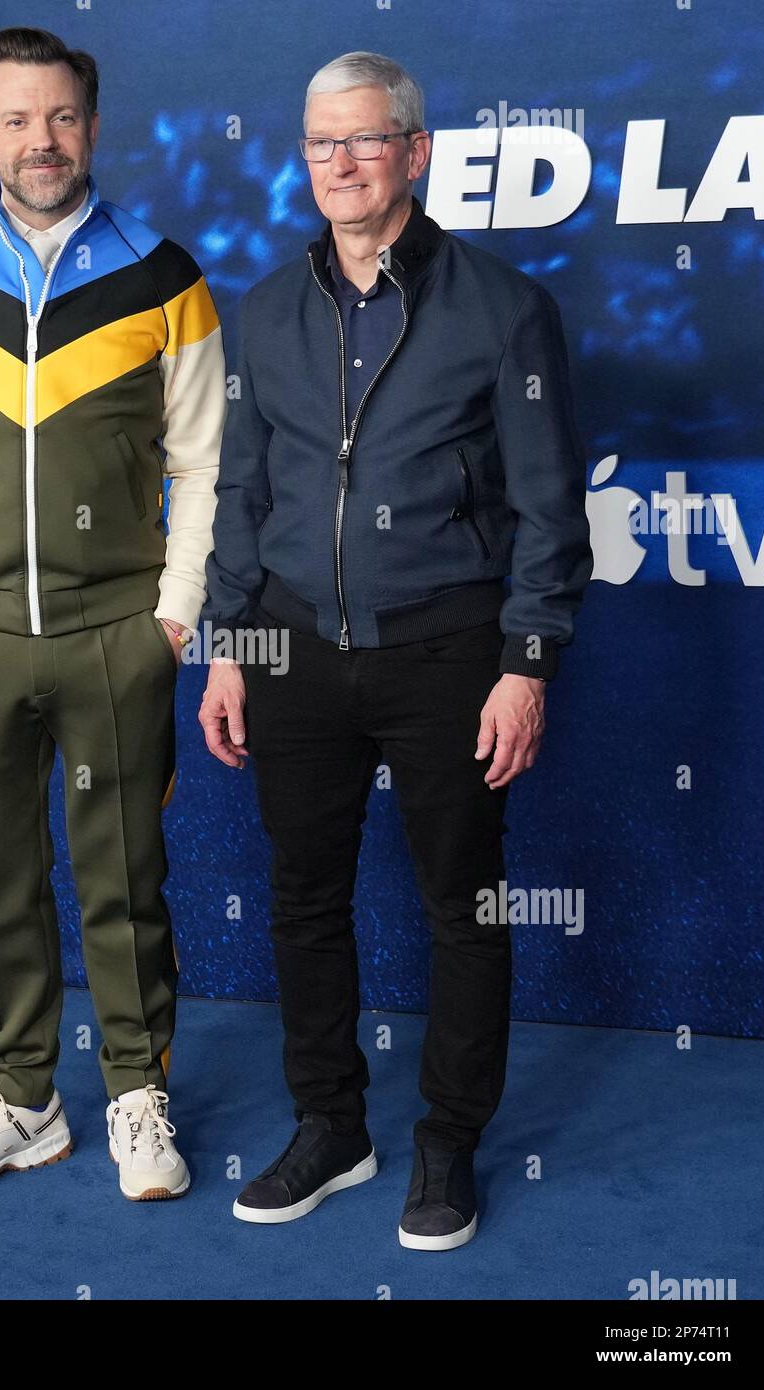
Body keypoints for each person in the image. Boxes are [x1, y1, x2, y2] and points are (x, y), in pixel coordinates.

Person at [198, 50, 592, 1249]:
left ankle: (446, 1140)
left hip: (448, 655)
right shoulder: (263, 310)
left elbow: (547, 509)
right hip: (292, 653)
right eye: (320, 143)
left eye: (363, 141)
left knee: (464, 905)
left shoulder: (503, 307)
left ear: (414, 152)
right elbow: (239, 493)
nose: (339, 163)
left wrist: (525, 663)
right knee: (301, 897)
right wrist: (229, 647)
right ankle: (331, 1125)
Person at [0, 27, 226, 1201]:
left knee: (124, 874)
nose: (41, 141)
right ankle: (24, 1098)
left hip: (115, 632)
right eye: (15, 121)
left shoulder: (163, 278)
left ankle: (134, 1093)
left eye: (61, 117)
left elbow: (206, 464)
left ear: (93, 126)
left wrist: (171, 617)